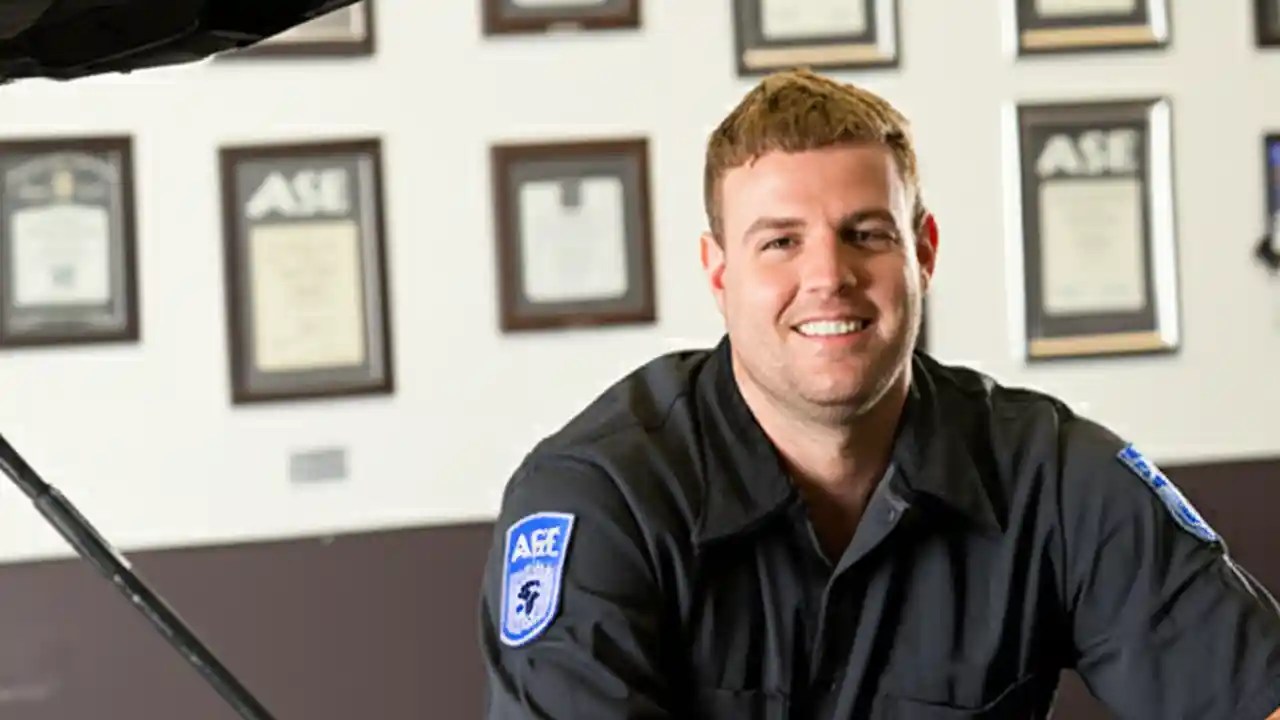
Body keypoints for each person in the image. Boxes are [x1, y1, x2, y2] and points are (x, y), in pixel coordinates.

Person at [477, 67, 1280, 718]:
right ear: (719, 273)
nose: (828, 277)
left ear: (922, 254)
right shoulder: (600, 499)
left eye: (866, 234)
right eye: (781, 242)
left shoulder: (1054, 478)